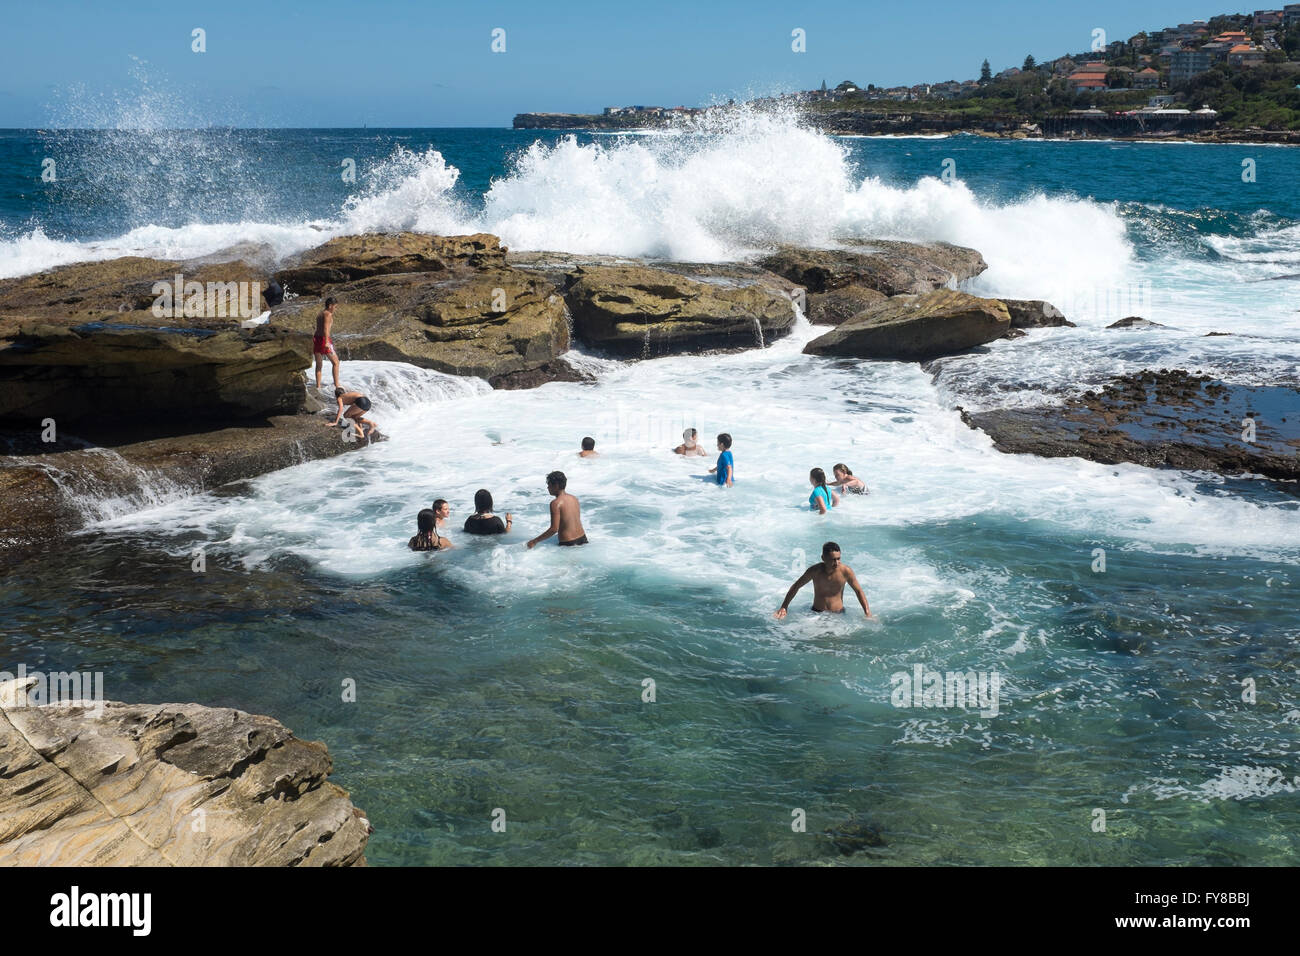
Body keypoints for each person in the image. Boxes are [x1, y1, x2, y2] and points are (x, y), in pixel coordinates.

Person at [775, 542, 870, 618]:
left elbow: (858, 591)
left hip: (838, 615)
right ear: (823, 558)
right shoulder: (815, 571)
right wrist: (784, 607)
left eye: (838, 559)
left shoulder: (846, 571)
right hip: (816, 613)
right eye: (833, 559)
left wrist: (867, 613)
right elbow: (796, 586)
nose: (836, 563)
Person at [526, 471, 587, 547]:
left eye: (549, 485)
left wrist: (534, 541)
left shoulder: (555, 503)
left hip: (568, 543)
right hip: (583, 538)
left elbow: (554, 529)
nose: (547, 487)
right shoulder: (574, 498)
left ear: (556, 486)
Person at [313, 297, 341, 390]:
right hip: (324, 340)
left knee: (319, 364)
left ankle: (318, 386)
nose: (335, 309)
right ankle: (337, 385)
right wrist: (326, 342)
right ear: (330, 306)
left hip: (316, 339)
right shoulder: (328, 314)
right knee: (336, 362)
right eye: (335, 307)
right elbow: (325, 329)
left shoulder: (320, 314)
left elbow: (318, 328)